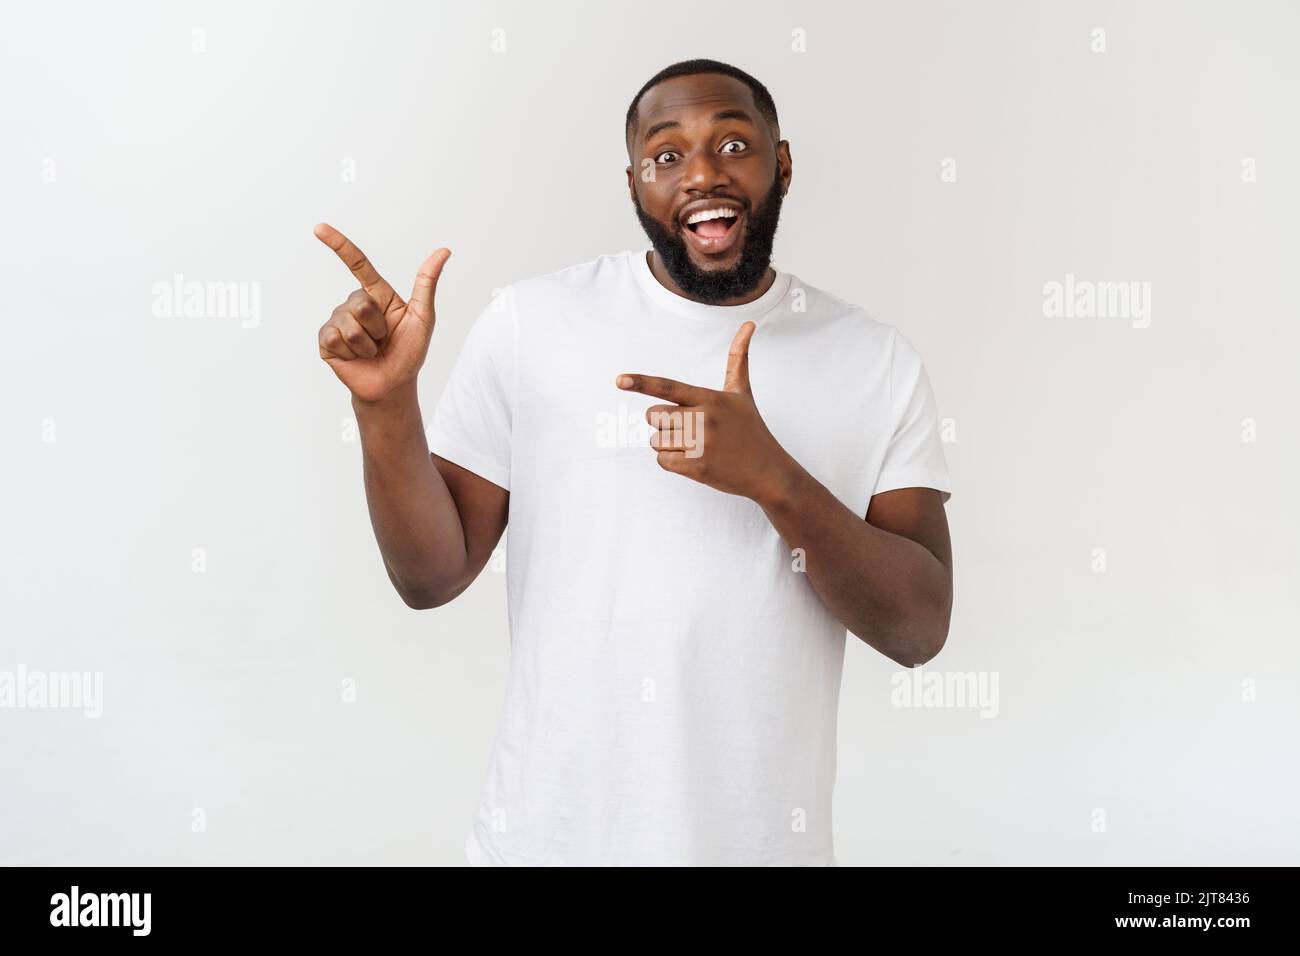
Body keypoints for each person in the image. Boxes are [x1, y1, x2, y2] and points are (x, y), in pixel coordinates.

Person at [313, 59, 954, 866]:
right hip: (544, 844)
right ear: (632, 186)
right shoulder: (531, 324)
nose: (702, 175)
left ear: (781, 163)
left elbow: (919, 627)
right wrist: (384, 408)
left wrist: (772, 480)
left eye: (732, 143)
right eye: (667, 156)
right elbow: (430, 577)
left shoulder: (874, 360)